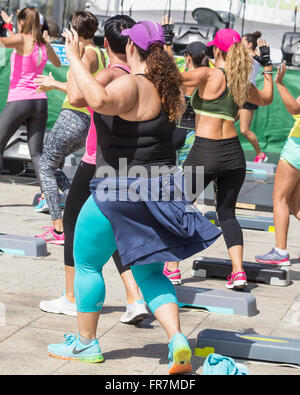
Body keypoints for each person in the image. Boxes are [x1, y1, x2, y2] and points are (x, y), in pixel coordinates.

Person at [47, 20, 221, 374]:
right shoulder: (167, 88)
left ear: (130, 48)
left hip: (116, 190)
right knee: (151, 274)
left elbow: (95, 99)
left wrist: (75, 57)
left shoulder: (132, 83)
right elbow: (85, 96)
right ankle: (177, 340)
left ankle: (86, 343)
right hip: (157, 190)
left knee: (86, 262)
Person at [39, 15, 150, 325]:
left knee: (72, 224)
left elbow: (76, 96)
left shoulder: (111, 73)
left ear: (106, 43)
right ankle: (134, 297)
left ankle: (71, 298)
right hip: (125, 165)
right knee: (115, 231)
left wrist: (73, 57)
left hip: (96, 160)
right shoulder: (138, 75)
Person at [179, 29, 274, 290]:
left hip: (205, 152)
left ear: (217, 51)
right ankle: (238, 272)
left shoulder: (208, 73)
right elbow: (267, 98)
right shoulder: (241, 80)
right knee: (227, 214)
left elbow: (174, 78)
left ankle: (172, 269)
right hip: (233, 154)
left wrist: (173, 52)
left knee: (179, 205)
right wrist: (266, 65)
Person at [34, 11, 106, 245]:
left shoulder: (85, 54)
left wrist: (53, 83)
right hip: (86, 122)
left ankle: (58, 229)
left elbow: (77, 93)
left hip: (74, 117)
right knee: (52, 166)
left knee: (45, 165)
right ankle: (70, 202)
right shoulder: (99, 53)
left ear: (74, 31)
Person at [164, 41, 209, 285]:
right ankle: (171, 264)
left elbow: (168, 73)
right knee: (179, 203)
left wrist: (169, 46)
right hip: (190, 140)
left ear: (188, 57)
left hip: (181, 139)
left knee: (176, 203)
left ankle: (172, 265)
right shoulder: (210, 75)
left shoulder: (189, 74)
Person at [0, 7, 61, 186]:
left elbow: (5, 41)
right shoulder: (42, 43)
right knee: (36, 153)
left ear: (22, 22)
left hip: (20, 100)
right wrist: (9, 25)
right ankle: (48, 195)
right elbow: (57, 63)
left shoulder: (21, 39)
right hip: (39, 102)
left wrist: (6, 27)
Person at [255, 61, 300, 266]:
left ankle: (280, 251)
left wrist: (280, 83)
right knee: (295, 204)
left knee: (280, 198)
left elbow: (296, 109)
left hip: (297, 147)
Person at [240, 31, 268, 163]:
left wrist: (257, 52)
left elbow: (263, 62)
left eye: (243, 41)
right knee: (225, 121)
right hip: (238, 94)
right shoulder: (244, 54)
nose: (240, 43)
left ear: (250, 44)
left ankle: (260, 154)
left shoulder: (254, 55)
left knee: (244, 129)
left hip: (249, 95)